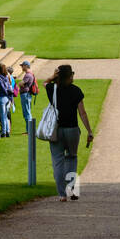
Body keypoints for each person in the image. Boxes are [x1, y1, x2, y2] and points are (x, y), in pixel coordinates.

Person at [45, 63, 94, 200]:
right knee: (72, 158)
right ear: (69, 76)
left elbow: (44, 83)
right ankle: (71, 189)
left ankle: (62, 194)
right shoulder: (76, 90)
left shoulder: (52, 88)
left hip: (56, 129)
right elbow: (82, 113)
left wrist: (52, 77)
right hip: (72, 129)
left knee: (58, 161)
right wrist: (89, 131)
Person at [0, 61, 13, 136]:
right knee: (5, 115)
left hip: (2, 97)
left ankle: (4, 131)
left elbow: (2, 88)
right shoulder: (6, 76)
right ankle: (7, 130)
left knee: (2, 115)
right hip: (7, 98)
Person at [19, 61, 38, 125]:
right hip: (27, 94)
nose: (22, 67)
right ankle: (29, 130)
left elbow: (21, 84)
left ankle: (29, 130)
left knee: (27, 113)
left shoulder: (28, 75)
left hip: (25, 95)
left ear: (26, 66)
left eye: (22, 65)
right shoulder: (30, 74)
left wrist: (20, 84)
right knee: (27, 112)